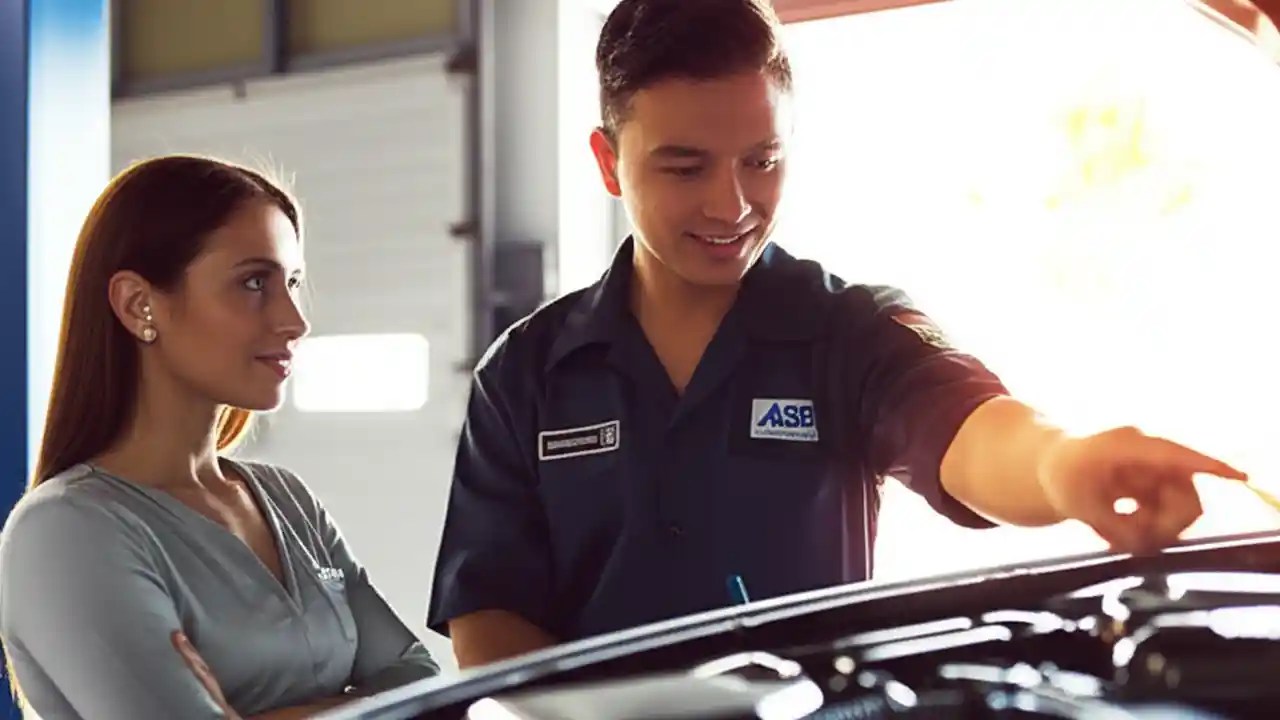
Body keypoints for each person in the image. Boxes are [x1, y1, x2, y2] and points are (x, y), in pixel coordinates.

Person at [426, 0, 1253, 670]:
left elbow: (970, 432)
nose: (732, 204)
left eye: (762, 160)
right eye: (685, 168)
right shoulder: (527, 375)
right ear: (609, 164)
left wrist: (1064, 465)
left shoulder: (847, 333)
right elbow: (490, 621)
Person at [0, 155, 439, 719]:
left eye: (294, 282)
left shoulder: (287, 498)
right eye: (254, 282)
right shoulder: (62, 532)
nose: (295, 320)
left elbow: (425, 687)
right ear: (139, 305)